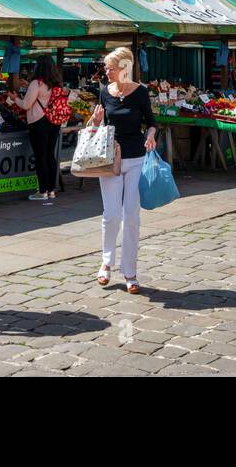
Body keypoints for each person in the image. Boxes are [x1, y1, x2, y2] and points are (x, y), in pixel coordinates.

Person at [89, 47, 156, 293]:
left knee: (132, 217)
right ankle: (106, 262)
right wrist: (94, 122)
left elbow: (151, 122)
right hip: (111, 160)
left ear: (123, 69)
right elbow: (97, 123)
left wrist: (151, 135)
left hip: (136, 157)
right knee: (112, 214)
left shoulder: (141, 92)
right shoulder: (105, 92)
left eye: (110, 68)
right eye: (106, 67)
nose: (106, 72)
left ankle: (130, 271)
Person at [11, 54, 64, 202]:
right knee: (50, 155)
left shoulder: (37, 83)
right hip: (54, 121)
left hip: (39, 123)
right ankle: (51, 190)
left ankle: (42, 192)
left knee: (41, 157)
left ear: (38, 66)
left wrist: (15, 98)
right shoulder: (56, 83)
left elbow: (26, 105)